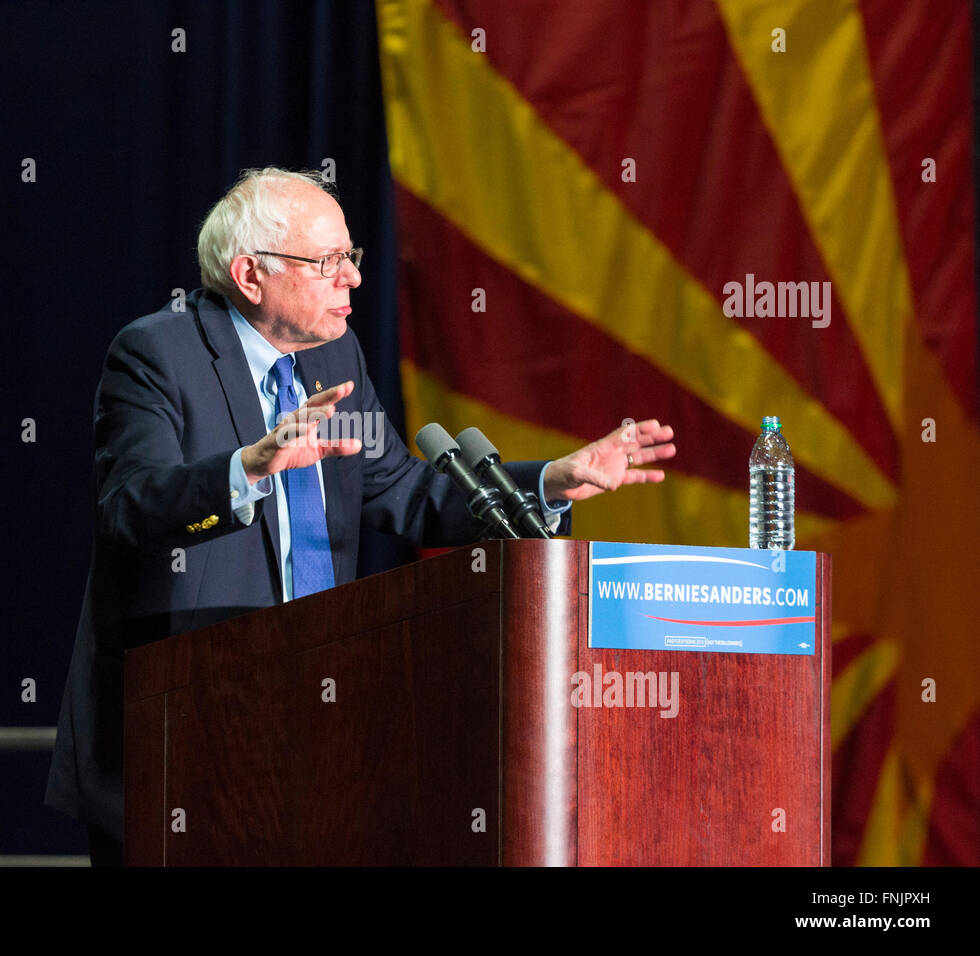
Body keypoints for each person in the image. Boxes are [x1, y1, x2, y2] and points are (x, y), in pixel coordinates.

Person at [45, 168, 676, 865]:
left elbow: (405, 493)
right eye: (328, 263)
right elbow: (130, 511)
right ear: (250, 274)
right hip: (186, 733)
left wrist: (550, 483)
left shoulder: (332, 356)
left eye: (352, 257)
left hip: (319, 724)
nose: (352, 279)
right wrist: (249, 467)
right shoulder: (158, 354)